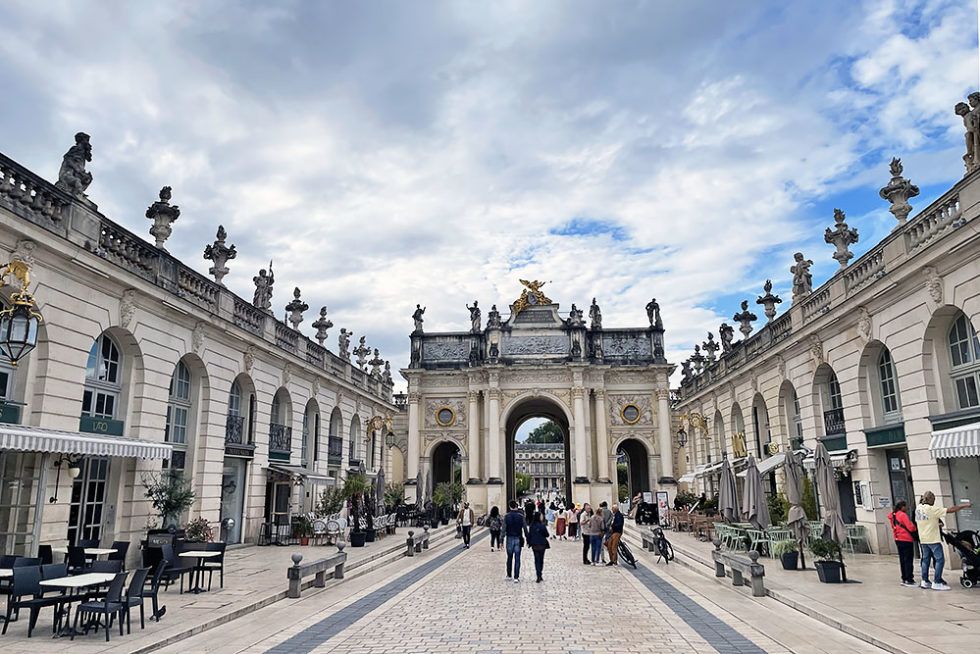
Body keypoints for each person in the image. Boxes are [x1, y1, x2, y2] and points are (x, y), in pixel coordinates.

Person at [915, 491, 971, 590]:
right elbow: (950, 510)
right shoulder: (931, 509)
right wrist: (964, 505)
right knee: (940, 560)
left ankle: (925, 581)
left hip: (923, 539)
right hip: (933, 539)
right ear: (931, 499)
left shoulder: (918, 508)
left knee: (925, 560)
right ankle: (937, 582)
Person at [887, 500, 917, 587]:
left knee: (902, 560)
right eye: (906, 506)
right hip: (906, 539)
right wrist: (915, 528)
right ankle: (909, 579)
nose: (907, 508)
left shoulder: (893, 515)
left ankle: (904, 578)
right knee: (908, 560)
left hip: (898, 539)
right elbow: (910, 527)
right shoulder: (902, 515)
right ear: (902, 507)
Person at [505, 500, 530, 583]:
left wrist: (501, 540)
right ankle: (516, 577)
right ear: (516, 506)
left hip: (509, 538)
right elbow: (525, 529)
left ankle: (509, 575)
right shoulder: (521, 516)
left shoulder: (506, 516)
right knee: (517, 558)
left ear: (509, 506)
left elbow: (503, 529)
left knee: (509, 557)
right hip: (518, 538)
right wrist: (528, 538)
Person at [528, 512, 551, 583]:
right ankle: (540, 574)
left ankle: (538, 574)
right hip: (542, 545)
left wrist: (529, 542)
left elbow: (529, 535)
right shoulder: (542, 525)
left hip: (534, 545)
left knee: (536, 560)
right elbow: (547, 534)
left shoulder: (532, 526)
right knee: (541, 560)